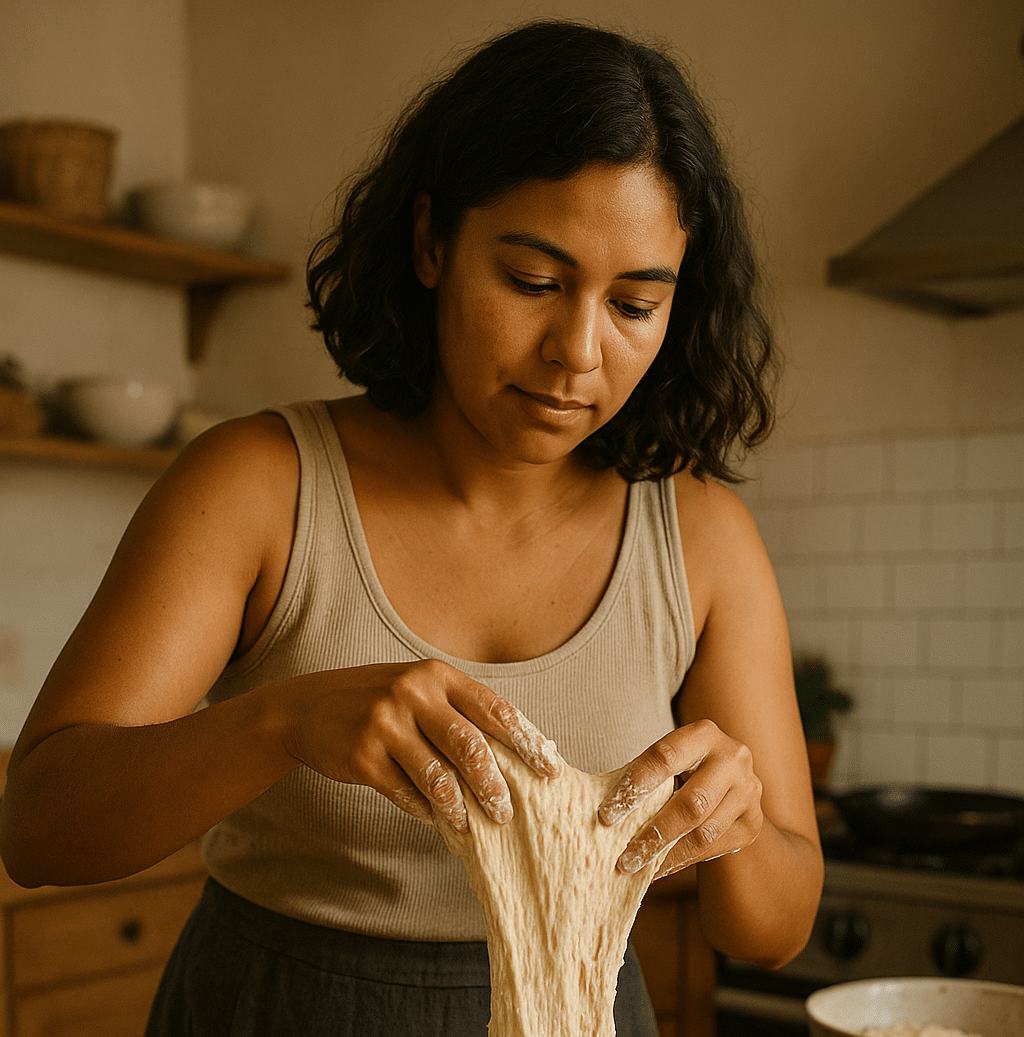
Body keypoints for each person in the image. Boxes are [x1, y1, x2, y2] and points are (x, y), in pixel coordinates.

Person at [0, 18, 823, 1037]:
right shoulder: (257, 485)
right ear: (432, 242)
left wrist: (735, 823)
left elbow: (773, 929)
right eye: (532, 282)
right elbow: (39, 825)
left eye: (635, 304)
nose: (577, 351)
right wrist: (282, 721)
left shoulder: (702, 536)